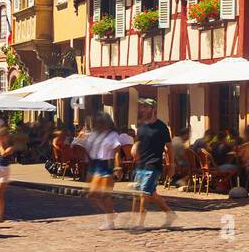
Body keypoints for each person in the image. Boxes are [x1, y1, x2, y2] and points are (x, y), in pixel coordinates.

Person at [131, 99, 177, 230]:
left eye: (145, 107)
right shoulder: (141, 127)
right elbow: (138, 143)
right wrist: (134, 148)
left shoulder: (161, 127)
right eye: (141, 107)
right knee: (150, 193)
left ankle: (139, 223)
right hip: (141, 164)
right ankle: (170, 214)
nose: (142, 109)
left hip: (154, 165)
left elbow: (169, 147)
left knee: (144, 193)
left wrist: (171, 165)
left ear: (153, 109)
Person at [73, 112, 123, 229]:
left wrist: (118, 167)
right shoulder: (95, 134)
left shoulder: (113, 135)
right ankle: (111, 214)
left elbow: (117, 151)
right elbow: (81, 146)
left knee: (105, 195)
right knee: (92, 194)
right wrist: (80, 139)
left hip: (107, 165)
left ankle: (110, 221)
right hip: (95, 165)